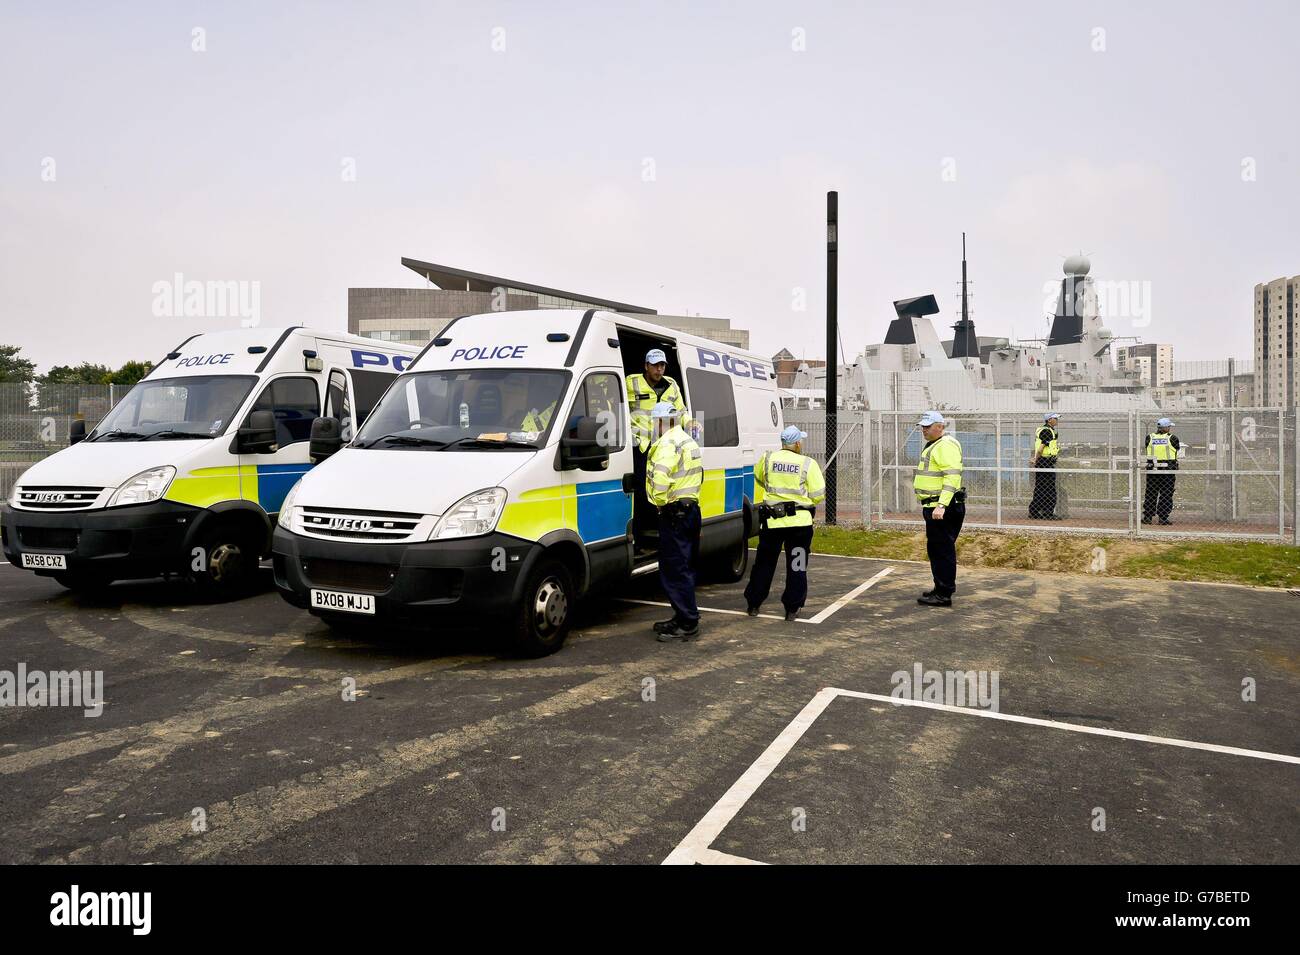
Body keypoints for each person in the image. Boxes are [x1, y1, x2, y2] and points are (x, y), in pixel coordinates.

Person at [745, 425, 826, 621]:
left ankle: (754, 603)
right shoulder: (807, 463)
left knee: (764, 564)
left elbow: (760, 478)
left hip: (772, 524)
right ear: (797, 443)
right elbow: (818, 494)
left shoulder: (767, 459)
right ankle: (792, 608)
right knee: (797, 565)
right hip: (799, 526)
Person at [646, 401, 704, 641]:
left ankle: (688, 622)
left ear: (660, 422)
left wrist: (660, 503)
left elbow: (660, 478)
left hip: (674, 513)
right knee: (685, 567)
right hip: (690, 511)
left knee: (673, 569)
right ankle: (681, 616)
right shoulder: (688, 440)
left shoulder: (667, 443)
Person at [627, 349, 690, 546]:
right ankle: (639, 536)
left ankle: (660, 535)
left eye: (662, 365)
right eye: (655, 365)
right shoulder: (632, 382)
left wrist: (691, 424)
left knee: (663, 489)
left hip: (665, 448)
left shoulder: (671, 385)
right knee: (640, 493)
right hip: (641, 448)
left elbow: (682, 412)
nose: (659, 369)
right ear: (646, 366)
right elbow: (616, 406)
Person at [913, 411, 965, 607]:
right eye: (923, 426)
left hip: (942, 507)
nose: (924, 430)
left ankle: (944, 594)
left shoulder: (946, 445)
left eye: (928, 426)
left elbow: (952, 477)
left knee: (942, 550)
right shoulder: (936, 444)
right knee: (937, 549)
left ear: (940, 426)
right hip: (935, 506)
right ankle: (940, 588)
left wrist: (941, 504)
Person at [1142, 417, 1180, 525]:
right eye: (1169, 427)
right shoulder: (1173, 438)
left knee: (1151, 493)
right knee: (1166, 493)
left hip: (1153, 469)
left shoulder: (1149, 437)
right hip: (1168, 470)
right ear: (1167, 427)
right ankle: (1163, 518)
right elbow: (1176, 449)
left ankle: (1148, 517)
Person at [1029, 411, 1062, 519]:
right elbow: (1041, 448)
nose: (1057, 420)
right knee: (1048, 488)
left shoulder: (1050, 431)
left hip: (1046, 462)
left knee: (1043, 487)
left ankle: (1038, 512)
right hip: (1044, 462)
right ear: (1049, 420)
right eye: (1055, 418)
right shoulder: (1046, 431)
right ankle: (1046, 513)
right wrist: (1035, 459)